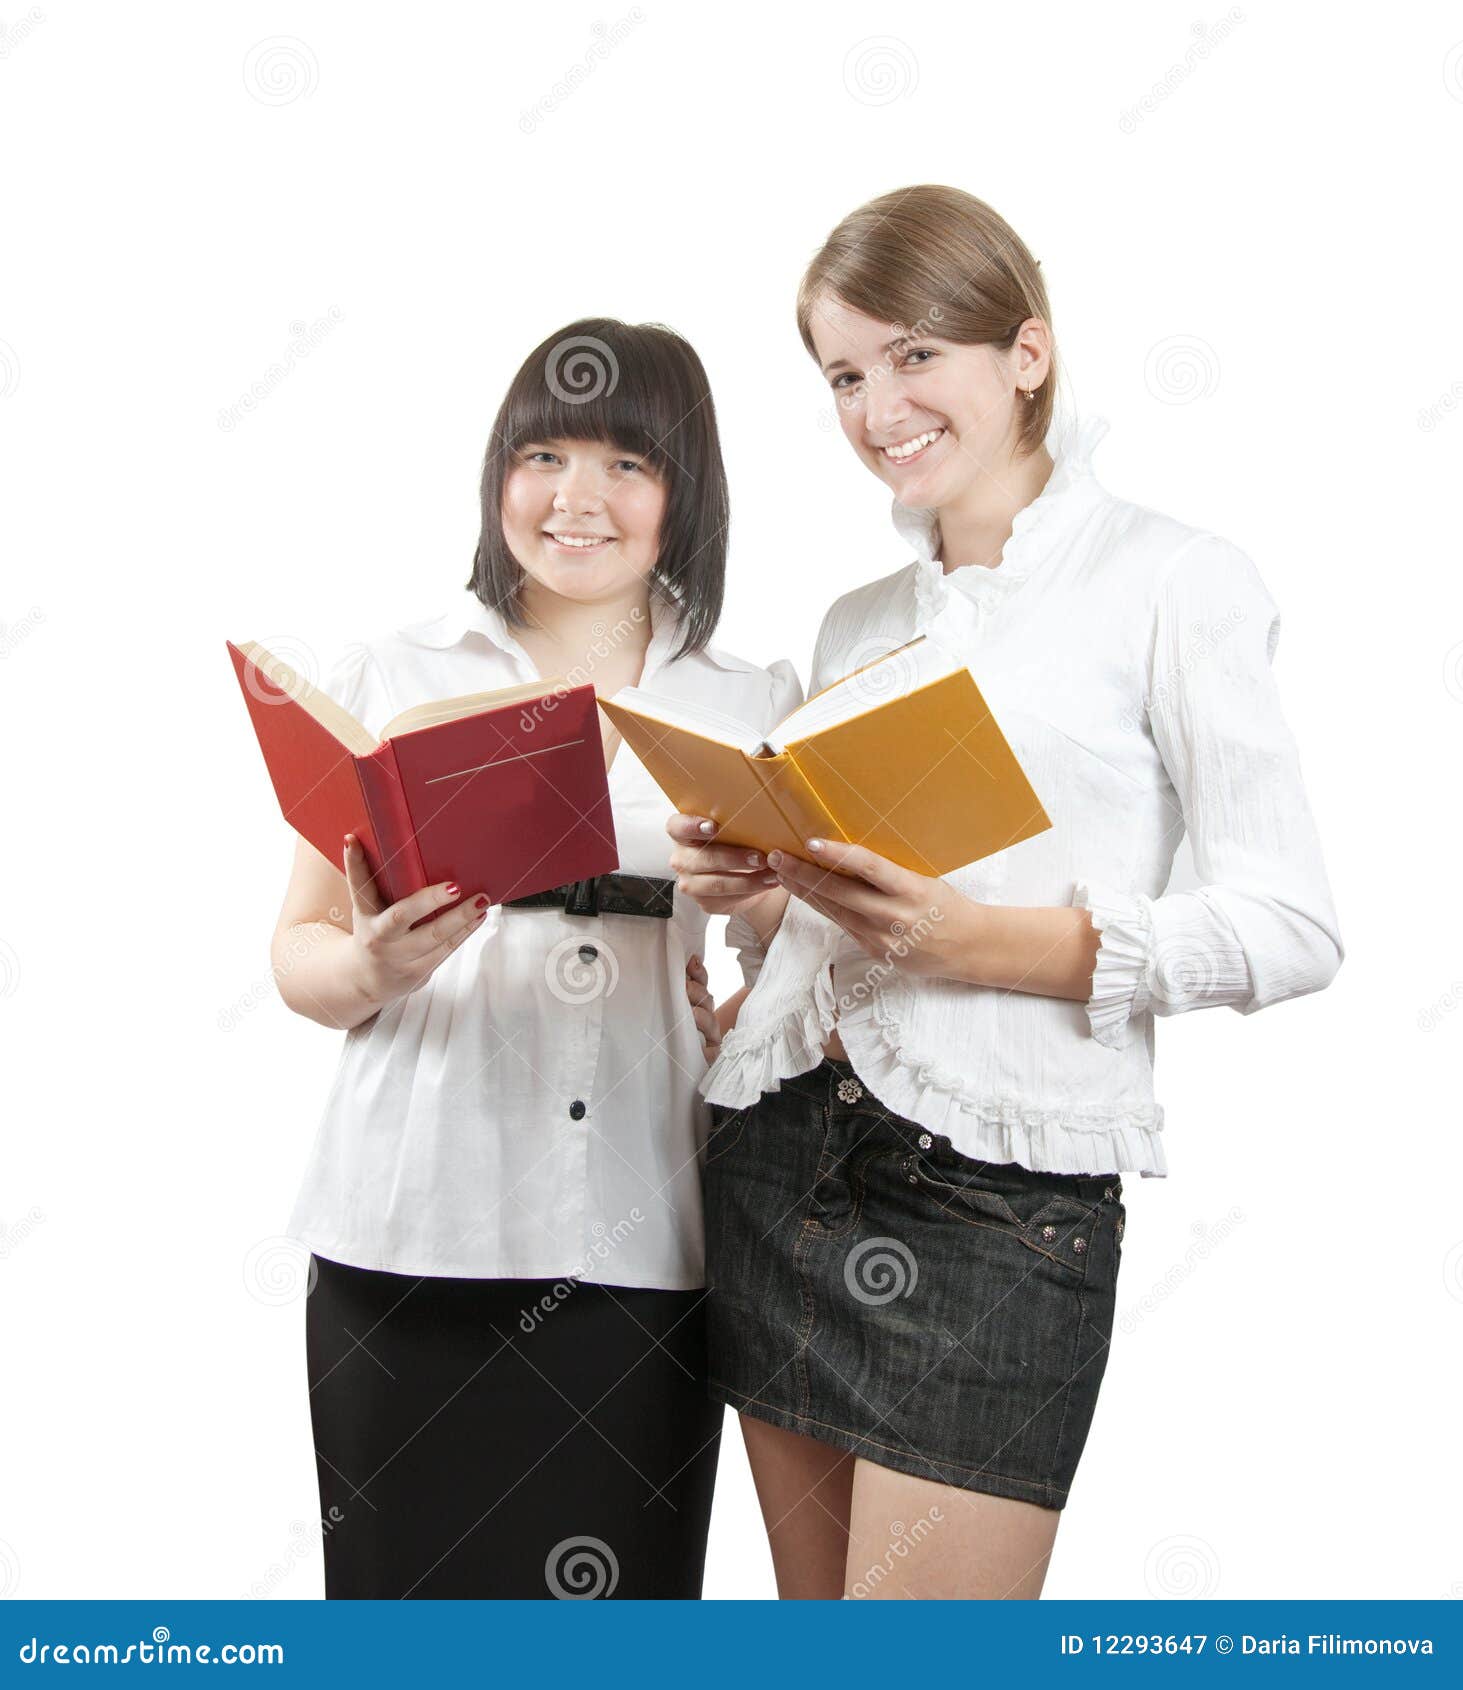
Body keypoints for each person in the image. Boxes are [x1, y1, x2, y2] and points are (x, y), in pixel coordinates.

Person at [667, 186, 1344, 1600]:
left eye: (913, 356)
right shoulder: (858, 618)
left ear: (1023, 354)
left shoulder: (1172, 580)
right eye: (844, 374)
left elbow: (1288, 924)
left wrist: (981, 942)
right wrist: (756, 880)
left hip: (996, 1200)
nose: (875, 406)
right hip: (784, 1153)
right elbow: (824, 920)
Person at [270, 318, 799, 1598]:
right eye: (543, 455)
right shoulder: (397, 672)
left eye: (626, 464)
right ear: (497, 473)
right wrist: (379, 969)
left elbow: (798, 960)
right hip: (409, 1234)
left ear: (685, 494)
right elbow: (299, 951)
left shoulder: (753, 699)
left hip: (640, 1241)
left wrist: (752, 951)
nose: (576, 498)